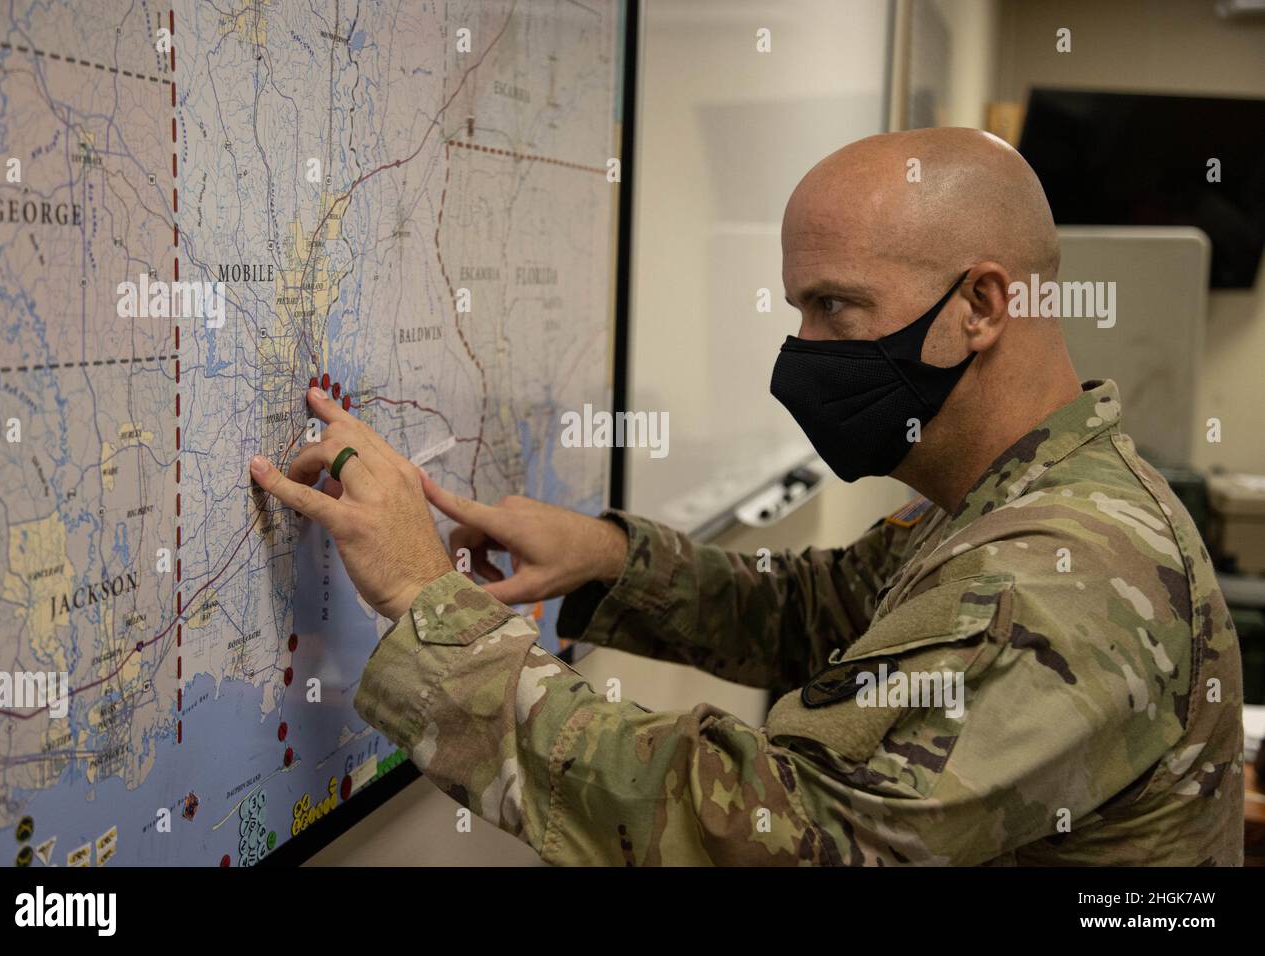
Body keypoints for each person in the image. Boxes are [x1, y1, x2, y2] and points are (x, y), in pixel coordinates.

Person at [249, 128, 1243, 865]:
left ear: (980, 306)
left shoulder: (1053, 572)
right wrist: (607, 556)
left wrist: (434, 607)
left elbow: (778, 836)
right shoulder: (1009, 495)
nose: (802, 350)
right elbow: (819, 612)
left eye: (834, 305)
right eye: (797, 307)